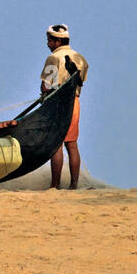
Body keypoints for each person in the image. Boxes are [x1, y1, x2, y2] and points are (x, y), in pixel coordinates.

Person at [40, 23, 89, 190]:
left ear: (56, 41)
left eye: (49, 40)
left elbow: (46, 86)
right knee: (72, 144)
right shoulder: (81, 58)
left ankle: (55, 185)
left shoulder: (53, 58)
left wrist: (44, 94)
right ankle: (74, 185)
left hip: (58, 104)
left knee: (56, 144)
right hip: (74, 103)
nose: (47, 44)